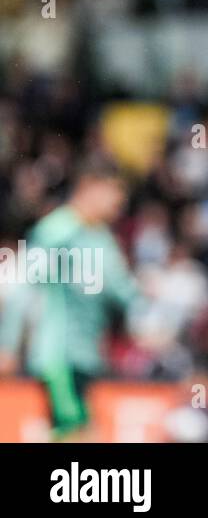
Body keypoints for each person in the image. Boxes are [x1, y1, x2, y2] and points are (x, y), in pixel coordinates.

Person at [0, 157, 138, 441]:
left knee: (76, 433)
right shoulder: (55, 232)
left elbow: (124, 293)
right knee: (77, 434)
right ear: (90, 187)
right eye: (114, 193)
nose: (119, 203)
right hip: (58, 355)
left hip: (87, 357)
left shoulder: (102, 240)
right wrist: (7, 344)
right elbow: (22, 287)